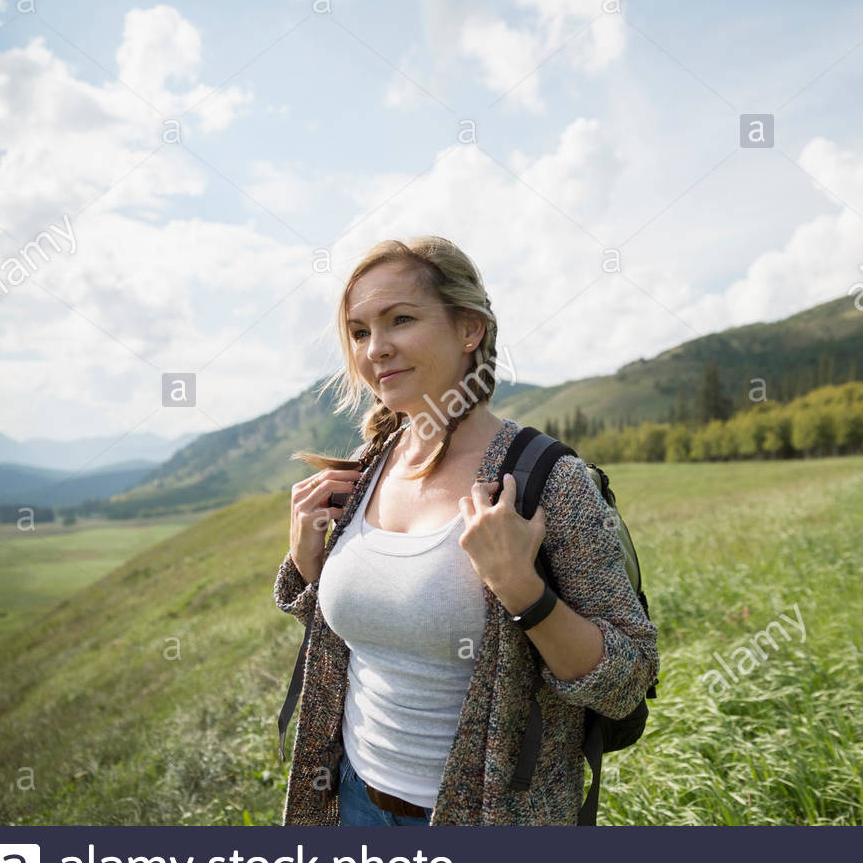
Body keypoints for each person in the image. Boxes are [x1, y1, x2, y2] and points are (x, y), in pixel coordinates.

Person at [273, 235, 659, 825]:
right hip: (348, 797)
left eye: (400, 319)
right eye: (358, 332)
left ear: (468, 329)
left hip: (484, 815)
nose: (376, 348)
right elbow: (375, 633)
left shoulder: (546, 481)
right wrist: (309, 564)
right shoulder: (370, 461)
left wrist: (521, 589)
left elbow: (627, 679)